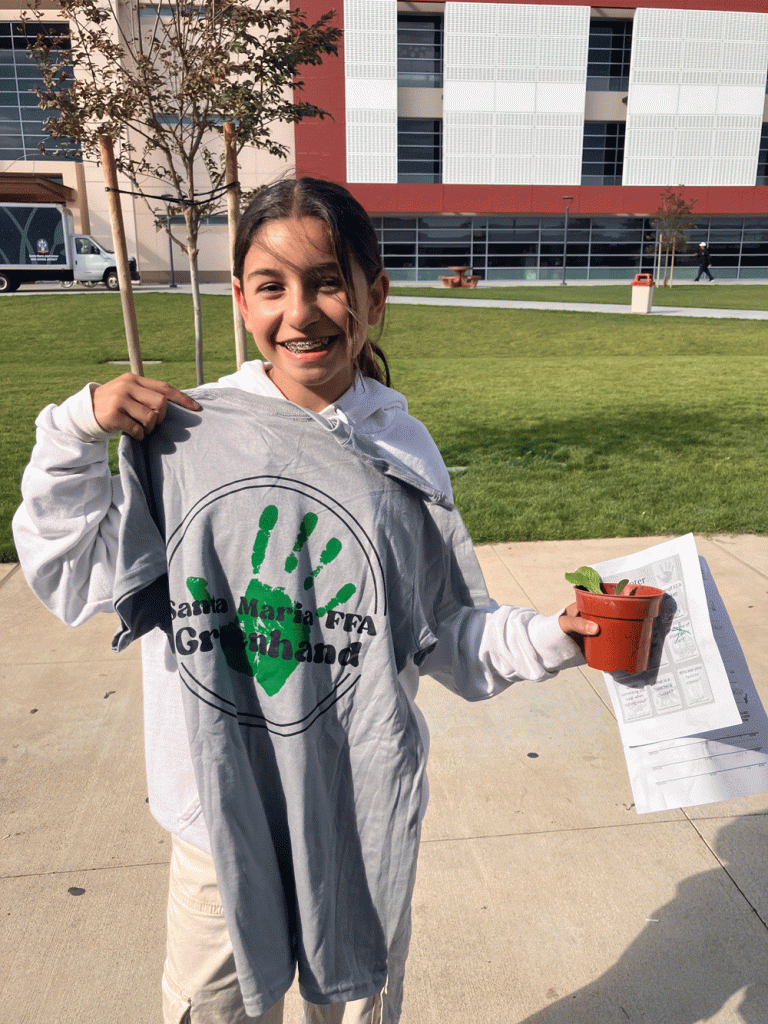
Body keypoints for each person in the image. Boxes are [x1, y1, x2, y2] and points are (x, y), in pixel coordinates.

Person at [13, 177, 599, 1024]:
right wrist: (71, 432)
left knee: (354, 1010)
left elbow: (448, 632)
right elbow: (71, 577)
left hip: (355, 820)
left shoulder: (402, 448)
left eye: (327, 281)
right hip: (219, 823)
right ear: (242, 299)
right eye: (271, 286)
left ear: (375, 295)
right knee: (212, 1009)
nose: (301, 313)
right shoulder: (186, 437)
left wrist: (556, 638)